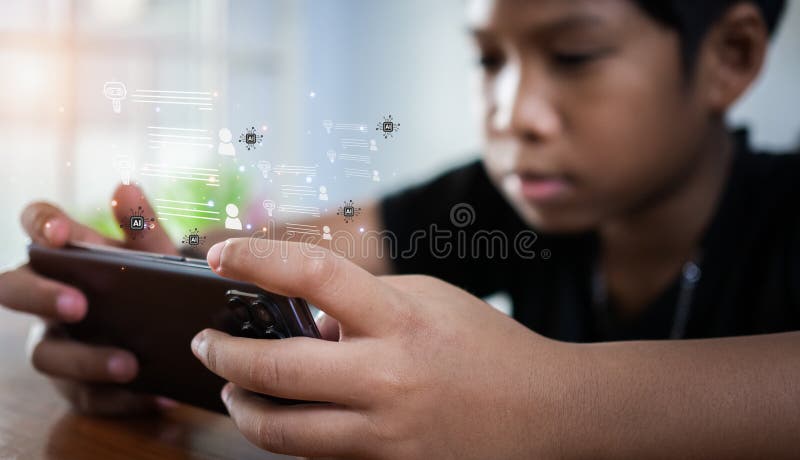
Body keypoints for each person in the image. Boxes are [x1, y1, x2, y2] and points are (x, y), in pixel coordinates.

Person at [1, 0, 798, 458]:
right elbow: (301, 262)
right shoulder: (497, 199)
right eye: (491, 62)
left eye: (576, 55)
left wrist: (543, 401)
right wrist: (159, 299)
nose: (512, 115)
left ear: (730, 57)